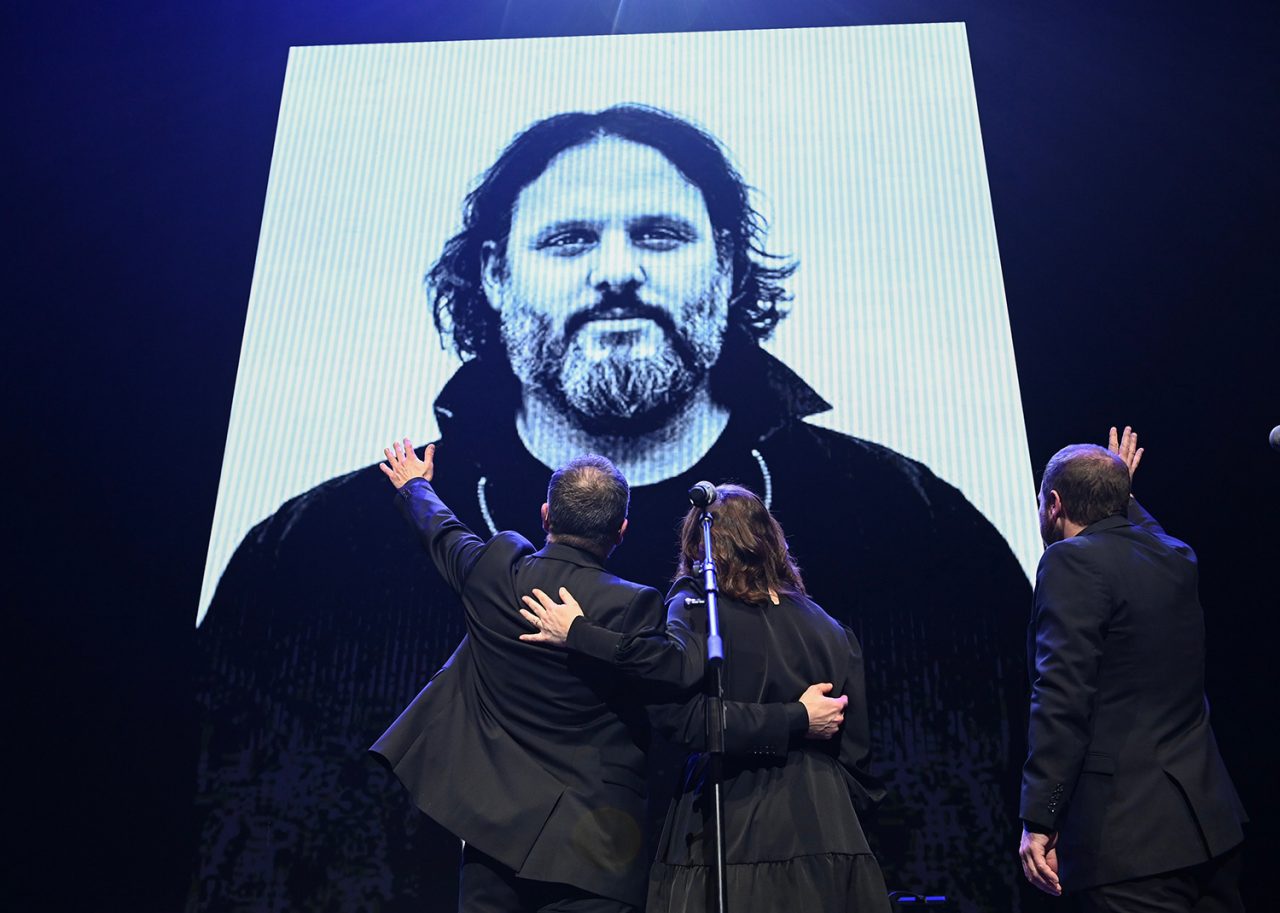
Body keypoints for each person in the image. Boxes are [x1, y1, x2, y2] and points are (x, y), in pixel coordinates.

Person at [193, 104, 1032, 912]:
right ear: (493, 273)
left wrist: (416, 485)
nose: (618, 270)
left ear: (730, 263)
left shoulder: (925, 525)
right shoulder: (301, 550)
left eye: (661, 235)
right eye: (567, 239)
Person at [521, 484, 892, 912]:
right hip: (826, 831)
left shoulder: (696, 608)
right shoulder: (832, 630)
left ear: (700, 544)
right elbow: (859, 759)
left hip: (729, 820)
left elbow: (685, 723)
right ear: (770, 539)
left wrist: (582, 635)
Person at [372, 442, 665, 911]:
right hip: (591, 847)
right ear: (621, 531)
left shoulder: (497, 573)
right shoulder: (635, 605)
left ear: (546, 515)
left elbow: (444, 534)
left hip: (494, 835)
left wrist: (415, 486)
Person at [1018, 427, 1247, 911]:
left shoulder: (1068, 562)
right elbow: (1149, 534)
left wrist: (1040, 818)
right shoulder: (1176, 557)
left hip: (1129, 843)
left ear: (1054, 504)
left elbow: (1061, 697)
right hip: (1211, 831)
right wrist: (1121, 491)